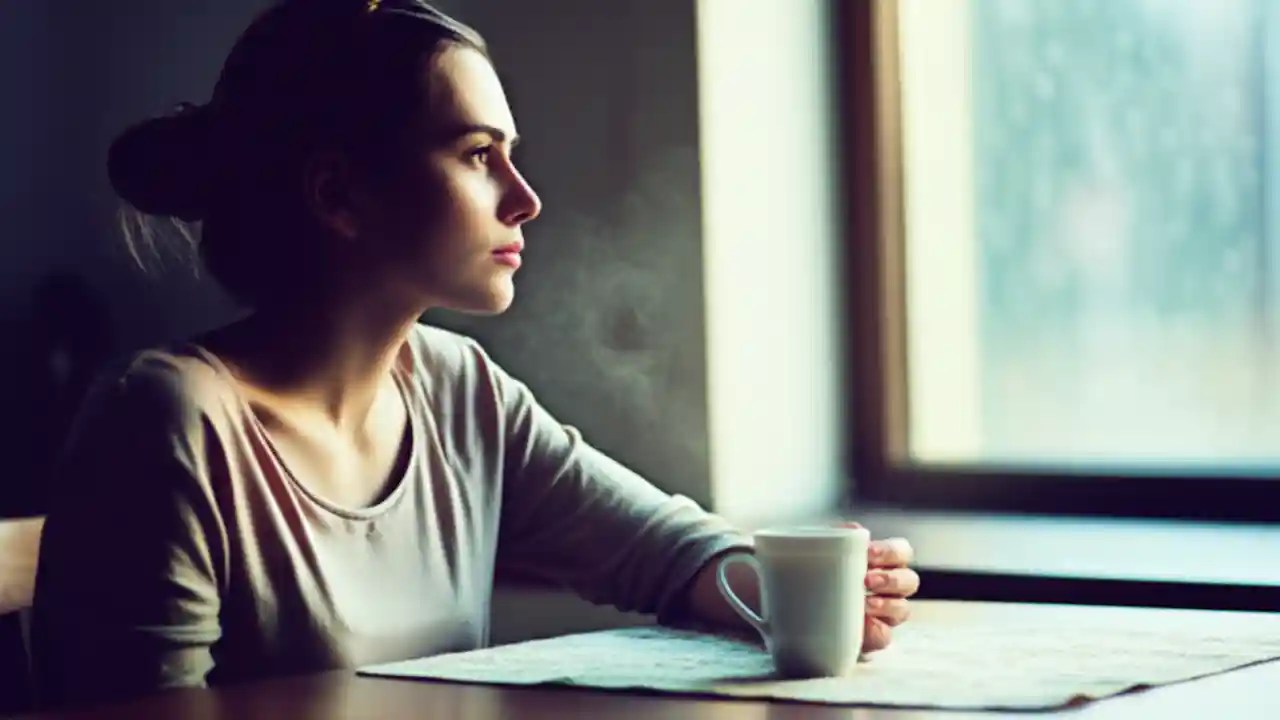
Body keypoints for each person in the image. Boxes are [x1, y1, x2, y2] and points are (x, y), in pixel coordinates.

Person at [31, 0, 918, 708]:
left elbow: (667, 555)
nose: (525, 199)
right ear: (339, 192)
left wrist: (798, 589)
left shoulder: (459, 390)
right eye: (477, 155)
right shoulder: (168, 421)